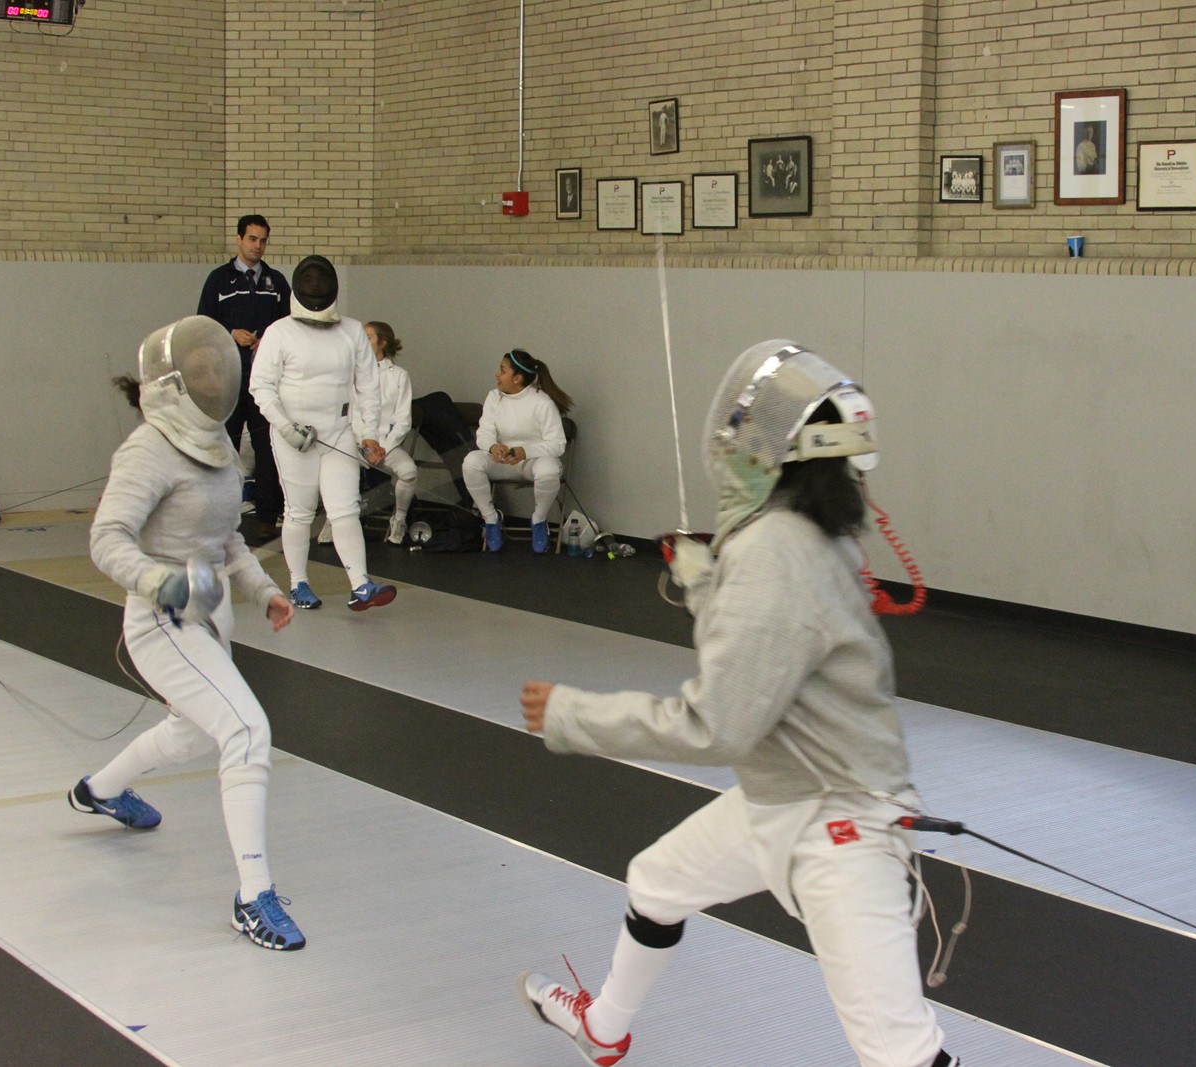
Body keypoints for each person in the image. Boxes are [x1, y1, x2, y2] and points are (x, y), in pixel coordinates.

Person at [517, 341, 959, 1067]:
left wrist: (573, 715)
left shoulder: (776, 547)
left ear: (766, 449)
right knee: (657, 879)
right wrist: (701, 578)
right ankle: (604, 1029)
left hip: (838, 829)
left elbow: (718, 721)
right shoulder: (806, 537)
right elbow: (759, 647)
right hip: (778, 798)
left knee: (901, 1053)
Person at [71, 314, 306, 952]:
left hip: (211, 607)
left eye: (216, 370)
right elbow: (105, 539)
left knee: (192, 730)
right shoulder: (147, 449)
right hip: (164, 619)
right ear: (175, 383)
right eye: (200, 371)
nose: (212, 380)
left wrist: (264, 590)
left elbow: (225, 534)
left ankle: (99, 791)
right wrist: (157, 583)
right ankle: (253, 896)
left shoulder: (216, 442)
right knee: (246, 728)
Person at [249, 254, 397, 611]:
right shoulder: (279, 333)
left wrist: (369, 434)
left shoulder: (351, 331)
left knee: (345, 509)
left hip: (338, 431)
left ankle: (361, 585)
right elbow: (261, 387)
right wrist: (286, 427)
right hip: (293, 437)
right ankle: (299, 584)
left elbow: (368, 387)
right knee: (299, 511)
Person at [196, 214, 290, 544]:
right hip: (228, 379)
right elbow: (202, 327)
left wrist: (268, 339)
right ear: (238, 239)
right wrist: (228, 333)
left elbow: (289, 326)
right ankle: (218, 516)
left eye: (263, 240)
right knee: (224, 447)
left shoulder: (276, 282)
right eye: (252, 239)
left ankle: (268, 515)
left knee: (267, 447)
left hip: (265, 380)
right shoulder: (219, 280)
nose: (258, 246)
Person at [460, 349, 573, 554]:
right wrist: (493, 447)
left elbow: (557, 444)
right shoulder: (494, 397)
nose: (497, 374)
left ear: (517, 378)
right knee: (471, 461)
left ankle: (539, 521)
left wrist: (525, 451)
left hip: (532, 464)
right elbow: (483, 434)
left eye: (502, 370)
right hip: (501, 463)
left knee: (549, 469)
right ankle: (491, 519)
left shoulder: (542, 402)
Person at [364, 320, 418, 545]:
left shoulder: (399, 376)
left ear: (382, 343)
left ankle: (399, 519)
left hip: (385, 446)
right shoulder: (352, 374)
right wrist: (365, 442)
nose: (363, 343)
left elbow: (403, 420)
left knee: (409, 471)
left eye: (368, 338)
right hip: (356, 443)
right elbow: (349, 414)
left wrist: (382, 447)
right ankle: (333, 519)